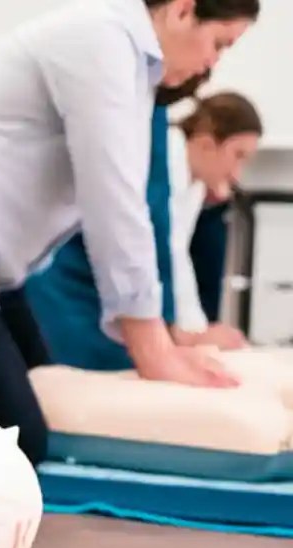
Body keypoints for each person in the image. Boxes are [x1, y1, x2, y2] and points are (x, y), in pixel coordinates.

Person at [0, 0, 259, 465]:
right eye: (219, 43)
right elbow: (113, 203)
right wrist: (155, 350)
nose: (213, 63)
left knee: (49, 401)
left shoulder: (135, 76)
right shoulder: (102, 40)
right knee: (14, 435)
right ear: (182, 10)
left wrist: (171, 339)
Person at [28, 90, 262, 369]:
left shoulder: (193, 184)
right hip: (64, 284)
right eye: (238, 155)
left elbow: (177, 257)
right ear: (206, 145)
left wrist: (196, 331)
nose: (237, 172)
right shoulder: (166, 159)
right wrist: (188, 335)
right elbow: (162, 251)